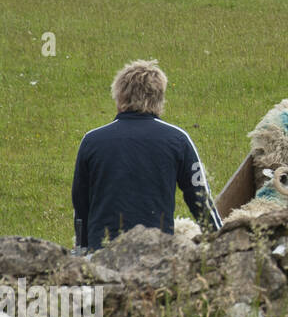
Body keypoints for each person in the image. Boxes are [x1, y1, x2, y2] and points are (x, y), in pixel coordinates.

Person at [72, 59, 222, 250]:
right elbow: (201, 197)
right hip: (156, 254)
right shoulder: (178, 140)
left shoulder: (92, 141)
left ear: (119, 96)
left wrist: (82, 249)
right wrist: (222, 243)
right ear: (160, 98)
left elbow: (80, 205)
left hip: (103, 252)